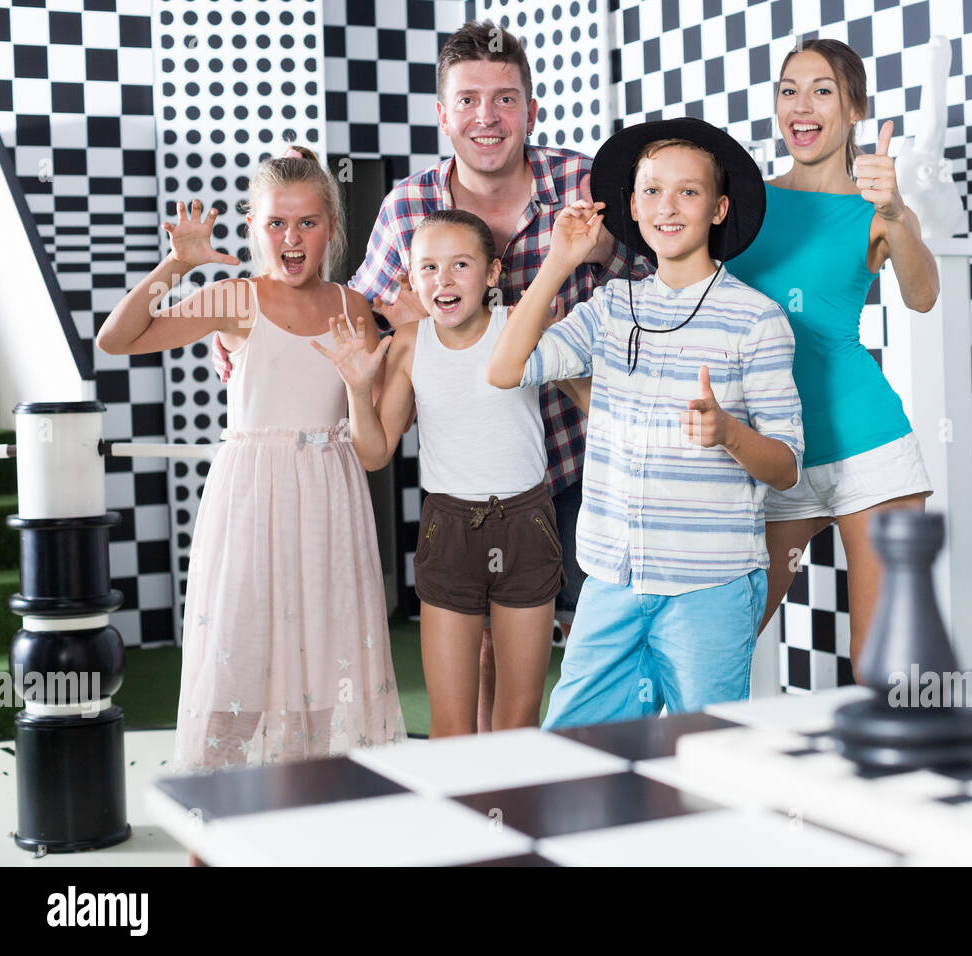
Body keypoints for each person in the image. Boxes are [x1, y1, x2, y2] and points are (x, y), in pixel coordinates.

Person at [213, 21, 648, 730]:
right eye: (468, 99)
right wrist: (247, 340)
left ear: (531, 110)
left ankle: (575, 794)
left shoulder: (583, 186)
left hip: (583, 453)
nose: (487, 117)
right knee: (476, 654)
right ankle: (484, 807)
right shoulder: (406, 209)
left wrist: (607, 247)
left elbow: (661, 283)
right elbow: (347, 321)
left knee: (595, 649)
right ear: (442, 113)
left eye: (505, 99)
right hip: (464, 475)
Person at [96, 151, 406, 772]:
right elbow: (117, 339)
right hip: (251, 500)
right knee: (236, 663)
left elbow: (372, 431)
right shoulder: (236, 299)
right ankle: (211, 831)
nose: (291, 238)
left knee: (324, 660)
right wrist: (176, 265)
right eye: (275, 223)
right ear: (251, 227)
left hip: (330, 500)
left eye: (308, 223)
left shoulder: (353, 311)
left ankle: (307, 822)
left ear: (332, 225)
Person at [488, 118, 804, 728]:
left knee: (703, 753)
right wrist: (558, 263)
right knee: (573, 749)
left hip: (709, 583)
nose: (668, 206)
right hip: (610, 578)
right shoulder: (609, 306)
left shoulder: (757, 320)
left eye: (688, 192)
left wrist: (729, 434)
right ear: (631, 206)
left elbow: (787, 468)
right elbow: (507, 370)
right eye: (653, 191)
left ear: (718, 209)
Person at [725, 38, 941, 673]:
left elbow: (924, 295)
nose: (803, 104)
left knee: (883, 661)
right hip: (775, 453)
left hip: (867, 447)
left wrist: (896, 214)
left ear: (855, 109)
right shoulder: (744, 203)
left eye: (823, 90)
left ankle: (905, 772)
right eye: (789, 89)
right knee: (724, 641)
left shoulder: (878, 212)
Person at [315, 210, 563, 736]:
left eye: (459, 265)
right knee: (451, 723)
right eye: (427, 267)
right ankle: (463, 815)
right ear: (410, 273)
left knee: (518, 719)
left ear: (492, 274)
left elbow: (587, 390)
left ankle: (509, 813)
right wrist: (359, 388)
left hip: (527, 525)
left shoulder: (521, 324)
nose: (443, 280)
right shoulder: (408, 343)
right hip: (448, 530)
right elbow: (375, 452)